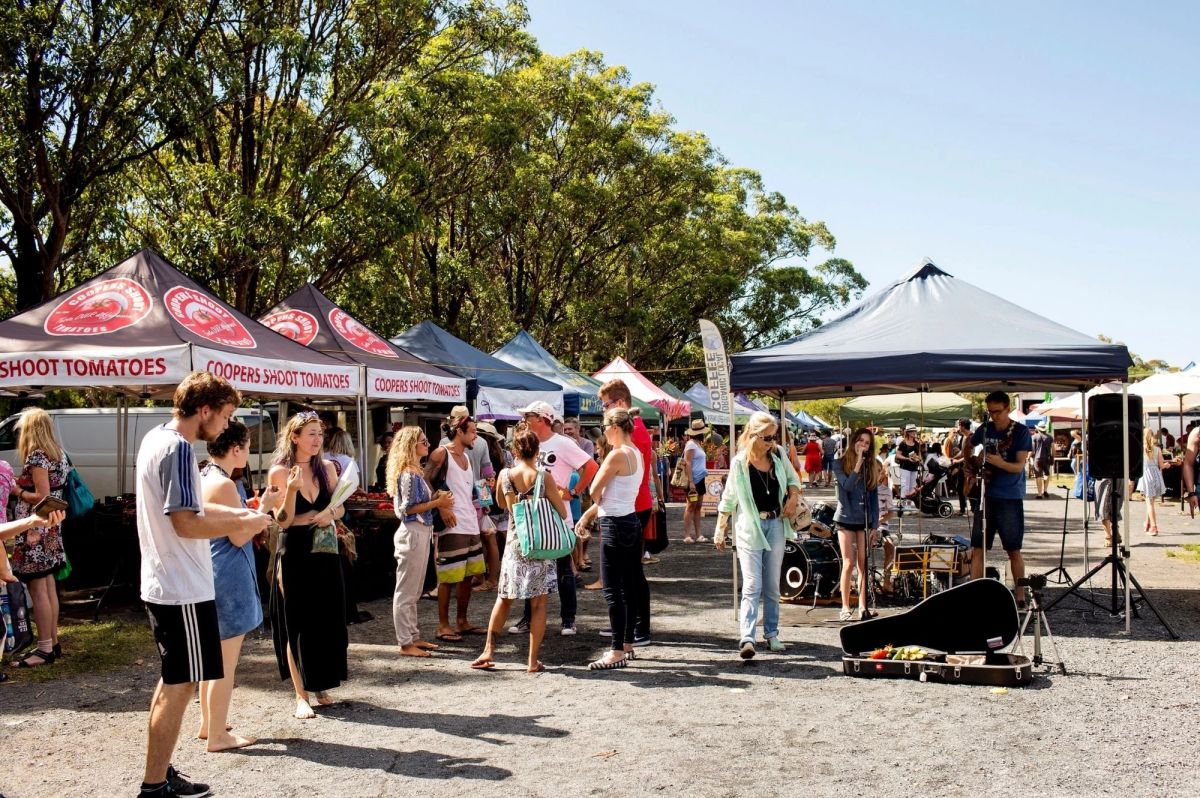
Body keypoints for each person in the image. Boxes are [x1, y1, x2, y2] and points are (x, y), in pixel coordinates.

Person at [134, 371, 271, 798]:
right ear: (205, 409)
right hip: (182, 586)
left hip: (164, 581)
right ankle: (154, 785)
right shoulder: (175, 446)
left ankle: (160, 773)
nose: (227, 424)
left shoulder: (155, 437)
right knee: (180, 687)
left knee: (173, 683)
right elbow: (186, 524)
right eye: (225, 414)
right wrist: (244, 519)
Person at [198, 419, 280, 752]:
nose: (248, 452)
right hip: (229, 576)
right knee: (225, 664)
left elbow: (229, 523)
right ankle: (218, 734)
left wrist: (252, 510)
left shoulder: (207, 476)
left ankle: (208, 724)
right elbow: (238, 535)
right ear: (235, 449)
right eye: (246, 446)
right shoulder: (225, 484)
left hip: (213, 573)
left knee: (212, 660)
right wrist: (266, 511)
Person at [267, 411, 348, 720]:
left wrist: (332, 514)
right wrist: (290, 491)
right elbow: (282, 520)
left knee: (325, 619)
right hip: (296, 550)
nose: (317, 440)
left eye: (320, 434)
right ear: (295, 437)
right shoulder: (279, 471)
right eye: (311, 434)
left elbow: (341, 505)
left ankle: (320, 684)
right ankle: (301, 695)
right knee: (296, 621)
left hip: (325, 549)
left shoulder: (327, 468)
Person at [471, 426, 568, 672]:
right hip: (539, 545)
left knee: (504, 598)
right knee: (539, 604)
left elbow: (502, 505)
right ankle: (532, 660)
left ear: (515, 450)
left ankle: (488, 651)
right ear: (537, 450)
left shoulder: (504, 475)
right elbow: (562, 511)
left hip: (515, 542)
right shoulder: (544, 477)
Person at [714, 412, 803, 659]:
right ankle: (748, 638)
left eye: (773, 437)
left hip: (775, 524)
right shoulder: (740, 463)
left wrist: (793, 497)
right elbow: (728, 499)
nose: (771, 442)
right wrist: (720, 529)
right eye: (766, 438)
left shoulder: (778, 455)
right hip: (748, 528)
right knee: (753, 584)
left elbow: (795, 479)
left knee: (773, 585)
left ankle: (772, 633)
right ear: (752, 436)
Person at [508, 401, 597, 636]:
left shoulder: (562, 443)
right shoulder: (529, 443)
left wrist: (574, 492)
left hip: (558, 517)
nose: (525, 420)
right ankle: (528, 618)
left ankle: (568, 619)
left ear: (542, 418)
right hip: (532, 518)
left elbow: (591, 466)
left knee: (563, 569)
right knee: (531, 569)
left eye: (529, 415)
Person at [575, 408, 647, 670]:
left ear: (615, 427)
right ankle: (626, 644)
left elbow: (595, 490)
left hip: (615, 524)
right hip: (629, 519)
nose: (603, 432)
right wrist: (591, 513)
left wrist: (594, 505)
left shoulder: (617, 454)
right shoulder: (636, 453)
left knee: (612, 589)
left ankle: (616, 649)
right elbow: (615, 495)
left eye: (605, 427)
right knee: (628, 587)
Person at [597, 379, 661, 644]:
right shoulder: (636, 435)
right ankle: (627, 627)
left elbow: (625, 479)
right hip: (630, 506)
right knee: (628, 573)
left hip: (630, 508)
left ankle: (636, 629)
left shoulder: (635, 437)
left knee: (630, 574)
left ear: (620, 404)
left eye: (606, 405)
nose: (603, 410)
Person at [8, 408, 70, 667]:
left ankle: (44, 648)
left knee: (38, 587)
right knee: (47, 585)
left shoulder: (37, 456)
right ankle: (52, 642)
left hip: (36, 530)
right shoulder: (58, 453)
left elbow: (43, 496)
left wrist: (18, 491)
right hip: (51, 527)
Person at [386, 427, 450, 657]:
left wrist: (436, 499)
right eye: (423, 442)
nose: (428, 445)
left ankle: (412, 636)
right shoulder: (409, 474)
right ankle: (405, 642)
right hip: (412, 532)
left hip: (420, 532)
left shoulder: (414, 471)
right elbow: (407, 510)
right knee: (406, 591)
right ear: (411, 446)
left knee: (413, 589)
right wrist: (436, 504)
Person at [424, 413, 487, 641]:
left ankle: (461, 621)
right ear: (459, 431)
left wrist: (483, 502)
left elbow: (466, 487)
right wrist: (440, 506)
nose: (475, 436)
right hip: (452, 524)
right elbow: (425, 480)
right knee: (448, 576)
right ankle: (443, 625)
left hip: (470, 521)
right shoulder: (442, 453)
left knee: (468, 575)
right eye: (472, 431)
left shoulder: (467, 457)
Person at [969, 391, 1032, 606]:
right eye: (990, 412)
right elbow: (968, 444)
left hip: (1009, 497)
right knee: (978, 547)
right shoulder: (985, 429)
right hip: (986, 495)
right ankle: (975, 593)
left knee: (1013, 549)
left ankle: (1021, 596)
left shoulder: (1021, 432)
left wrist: (996, 462)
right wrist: (972, 461)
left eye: (998, 412)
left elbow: (1018, 466)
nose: (994, 416)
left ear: (1008, 409)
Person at [833, 427, 883, 621]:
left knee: (863, 563)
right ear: (853, 441)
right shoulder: (839, 464)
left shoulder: (870, 467)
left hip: (863, 519)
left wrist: (874, 526)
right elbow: (847, 486)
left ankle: (863, 606)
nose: (863, 445)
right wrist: (857, 464)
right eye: (861, 440)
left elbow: (874, 498)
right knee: (848, 563)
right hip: (845, 518)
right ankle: (845, 606)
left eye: (867, 443)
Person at [681, 419, 709, 543]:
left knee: (697, 507)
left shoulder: (696, 444)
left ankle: (698, 534)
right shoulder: (691, 444)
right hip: (693, 479)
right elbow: (688, 462)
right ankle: (687, 535)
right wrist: (691, 481)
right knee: (691, 506)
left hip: (700, 478)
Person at [1137, 427, 1168, 536]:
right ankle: (1147, 523)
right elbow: (1162, 465)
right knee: (1150, 502)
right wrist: (1168, 465)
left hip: (1146, 475)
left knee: (1149, 503)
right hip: (1156, 476)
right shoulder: (1157, 449)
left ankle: (1154, 527)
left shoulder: (1141, 449)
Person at [945, 418, 973, 515]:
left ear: (962, 426)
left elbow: (970, 455)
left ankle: (973, 509)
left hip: (970, 467)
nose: (957, 428)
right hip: (963, 466)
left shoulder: (971, 437)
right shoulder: (964, 437)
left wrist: (956, 460)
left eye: (958, 426)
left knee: (969, 488)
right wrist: (953, 458)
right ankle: (962, 508)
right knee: (960, 488)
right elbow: (963, 452)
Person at [896, 424, 921, 498]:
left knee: (913, 485)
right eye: (912, 431)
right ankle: (904, 501)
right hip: (905, 467)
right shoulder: (903, 444)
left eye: (915, 431)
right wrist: (907, 458)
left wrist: (917, 458)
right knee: (905, 485)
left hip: (914, 467)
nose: (914, 433)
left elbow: (920, 456)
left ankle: (910, 501)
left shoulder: (917, 444)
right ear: (908, 433)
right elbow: (897, 455)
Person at [1030, 422, 1054, 499]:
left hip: (1037, 459)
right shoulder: (1050, 437)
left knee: (1038, 475)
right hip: (1047, 458)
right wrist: (1052, 457)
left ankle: (1039, 494)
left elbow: (1032, 450)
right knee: (1046, 474)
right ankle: (1045, 490)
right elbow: (1053, 449)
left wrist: (1029, 458)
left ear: (1038, 428)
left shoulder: (1034, 437)